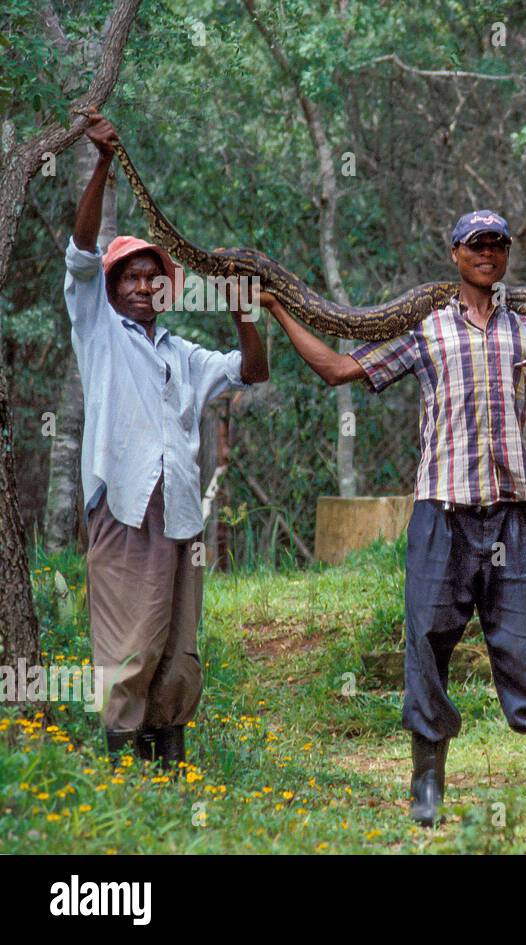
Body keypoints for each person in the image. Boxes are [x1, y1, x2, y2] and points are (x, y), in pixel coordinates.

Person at [263, 209, 526, 826]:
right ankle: (427, 786)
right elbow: (338, 370)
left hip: (512, 515)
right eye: (476, 244)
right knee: (428, 646)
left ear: (507, 255)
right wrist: (282, 311)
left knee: (523, 650)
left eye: (498, 244)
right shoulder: (426, 329)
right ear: (456, 254)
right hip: (441, 513)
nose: (488, 253)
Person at [68, 110, 269, 765]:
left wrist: (244, 314)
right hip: (123, 508)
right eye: (130, 275)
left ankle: (168, 760)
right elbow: (81, 250)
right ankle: (123, 765)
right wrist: (102, 162)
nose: (143, 284)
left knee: (178, 644)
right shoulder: (98, 332)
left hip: (179, 516)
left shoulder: (183, 353)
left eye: (152, 275)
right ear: (112, 287)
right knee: (129, 641)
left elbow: (253, 369)